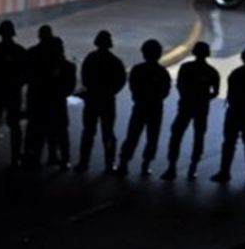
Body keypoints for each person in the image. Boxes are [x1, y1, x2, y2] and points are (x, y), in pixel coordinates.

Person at [160, 41, 220, 181]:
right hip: (201, 108)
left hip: (186, 106)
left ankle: (172, 167)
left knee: (176, 134)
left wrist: (187, 97)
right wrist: (204, 98)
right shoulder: (212, 72)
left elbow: (180, 86)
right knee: (198, 136)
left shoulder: (186, 67)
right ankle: (193, 168)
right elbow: (215, 92)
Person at [115, 39, 171, 177]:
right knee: (152, 138)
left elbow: (133, 87)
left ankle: (123, 164)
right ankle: (145, 165)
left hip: (140, 107)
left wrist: (140, 97)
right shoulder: (162, 72)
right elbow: (165, 92)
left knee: (132, 135)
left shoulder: (138, 69)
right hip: (155, 109)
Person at [211, 46, 245, 185]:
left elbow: (231, 93)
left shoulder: (236, 73)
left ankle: (225, 172)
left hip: (234, 112)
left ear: (243, 58)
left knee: (229, 143)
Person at [76, 30, 126, 173]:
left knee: (88, 132)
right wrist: (110, 92)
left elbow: (84, 78)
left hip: (92, 99)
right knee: (108, 133)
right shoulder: (115, 61)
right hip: (108, 101)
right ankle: (110, 164)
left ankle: (83, 163)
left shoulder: (90, 58)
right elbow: (120, 81)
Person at [0, 20, 27, 168]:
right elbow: (25, 75)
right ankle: (15, 157)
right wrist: (16, 85)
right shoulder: (20, 51)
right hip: (13, 92)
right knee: (14, 125)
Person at [23, 24, 57, 168]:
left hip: (35, 94)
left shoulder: (31, 52)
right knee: (51, 127)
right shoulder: (55, 54)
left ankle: (30, 155)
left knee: (33, 127)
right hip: (50, 95)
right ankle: (52, 155)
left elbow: (24, 75)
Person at [46, 37, 77, 169]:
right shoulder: (68, 66)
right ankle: (64, 159)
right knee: (62, 131)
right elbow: (70, 87)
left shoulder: (45, 66)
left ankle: (53, 155)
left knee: (51, 130)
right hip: (59, 101)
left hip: (49, 101)